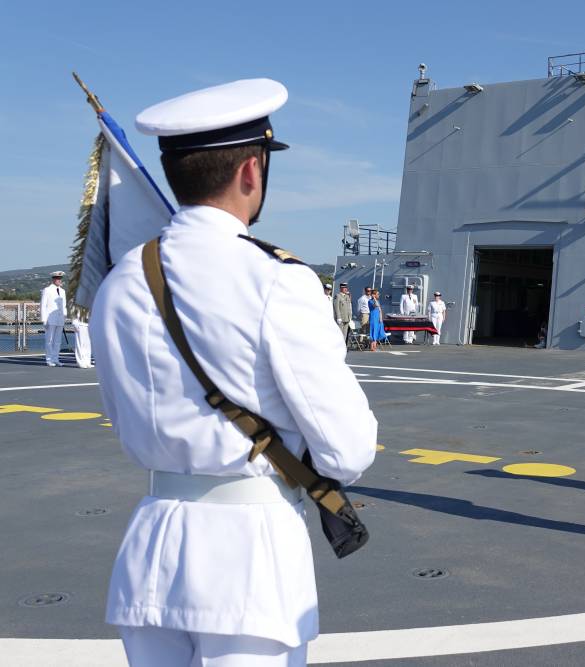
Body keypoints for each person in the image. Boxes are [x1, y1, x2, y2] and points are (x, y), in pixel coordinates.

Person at [89, 78, 377, 666]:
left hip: (153, 547)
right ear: (252, 170)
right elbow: (348, 451)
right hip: (250, 554)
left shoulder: (121, 283)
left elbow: (122, 418)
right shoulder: (277, 279)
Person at [39, 270, 67, 366]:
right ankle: (49, 359)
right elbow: (43, 305)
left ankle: (55, 358)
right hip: (50, 319)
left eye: (60, 278)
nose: (59, 280)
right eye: (58, 278)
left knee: (58, 341)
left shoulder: (63, 291)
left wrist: (65, 316)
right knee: (49, 340)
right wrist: (44, 319)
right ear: (53, 279)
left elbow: (64, 306)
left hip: (60, 319)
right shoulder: (47, 290)